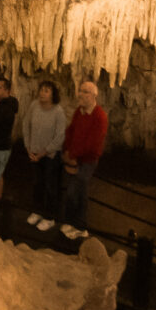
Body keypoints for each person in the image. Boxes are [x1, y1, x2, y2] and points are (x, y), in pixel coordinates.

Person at [59, 80, 107, 242]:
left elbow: (93, 143)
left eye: (85, 92)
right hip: (73, 158)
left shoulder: (99, 116)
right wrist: (66, 150)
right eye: (80, 90)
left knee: (77, 191)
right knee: (74, 191)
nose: (80, 94)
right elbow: (70, 131)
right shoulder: (79, 112)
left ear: (94, 96)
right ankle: (71, 222)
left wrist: (73, 155)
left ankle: (80, 227)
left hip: (87, 161)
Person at [21, 80, 68, 232]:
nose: (42, 93)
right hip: (34, 152)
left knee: (50, 186)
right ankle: (37, 211)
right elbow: (26, 124)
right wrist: (28, 147)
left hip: (50, 156)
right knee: (37, 184)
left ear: (53, 94)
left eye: (46, 91)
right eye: (41, 90)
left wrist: (43, 153)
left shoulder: (58, 111)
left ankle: (50, 217)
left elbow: (60, 136)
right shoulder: (34, 106)